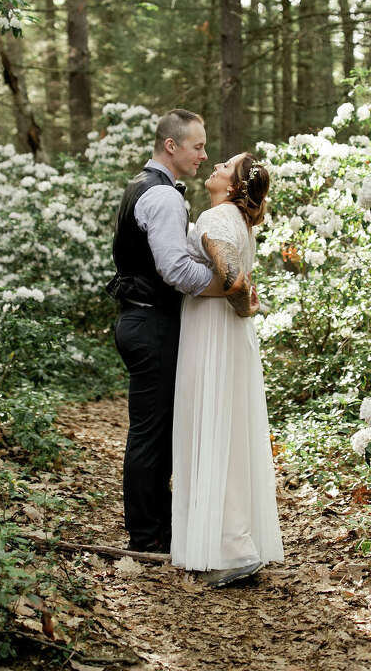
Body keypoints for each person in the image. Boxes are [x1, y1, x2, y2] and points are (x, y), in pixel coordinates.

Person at [106, 109, 244, 554]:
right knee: (151, 433)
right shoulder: (162, 197)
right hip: (149, 323)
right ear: (172, 146)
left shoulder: (140, 187)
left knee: (157, 430)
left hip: (141, 319)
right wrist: (225, 290)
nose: (204, 154)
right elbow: (175, 270)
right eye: (197, 146)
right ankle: (147, 539)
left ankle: (159, 531)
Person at [172, 152, 283, 587]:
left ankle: (231, 548)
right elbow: (242, 284)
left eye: (224, 165)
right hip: (227, 334)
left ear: (235, 186)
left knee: (214, 426)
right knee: (229, 431)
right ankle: (234, 541)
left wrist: (240, 303)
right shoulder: (237, 221)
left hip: (213, 333)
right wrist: (245, 305)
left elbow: (234, 280)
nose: (215, 165)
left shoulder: (217, 218)